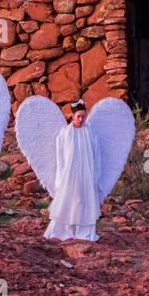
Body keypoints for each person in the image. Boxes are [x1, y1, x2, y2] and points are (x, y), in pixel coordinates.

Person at [46, 100, 103, 240]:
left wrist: (96, 175)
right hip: (70, 174)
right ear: (72, 115)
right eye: (78, 116)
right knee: (69, 200)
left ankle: (83, 231)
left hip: (86, 173)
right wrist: (61, 177)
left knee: (84, 201)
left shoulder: (90, 133)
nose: (81, 119)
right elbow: (60, 157)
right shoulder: (65, 134)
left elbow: (96, 154)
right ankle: (65, 231)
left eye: (83, 116)